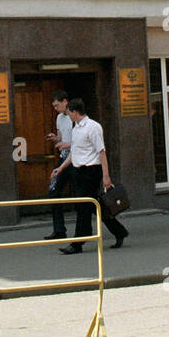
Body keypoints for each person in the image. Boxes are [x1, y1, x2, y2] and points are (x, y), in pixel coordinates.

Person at [50, 99, 127, 253]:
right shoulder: (76, 128)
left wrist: (106, 176)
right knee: (95, 206)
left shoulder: (93, 127)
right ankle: (119, 232)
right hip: (79, 171)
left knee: (82, 206)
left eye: (70, 113)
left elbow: (101, 152)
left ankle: (78, 242)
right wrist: (61, 168)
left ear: (75, 112)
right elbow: (74, 152)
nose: (69, 116)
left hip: (92, 171)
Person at [44, 91, 74, 240]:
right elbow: (61, 137)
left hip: (75, 158)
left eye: (57, 105)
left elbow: (81, 141)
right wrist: (55, 139)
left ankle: (113, 224)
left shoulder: (75, 117)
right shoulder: (59, 118)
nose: (55, 109)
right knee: (54, 191)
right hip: (64, 157)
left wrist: (66, 143)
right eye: (54, 106)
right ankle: (59, 230)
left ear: (65, 101)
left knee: (87, 196)